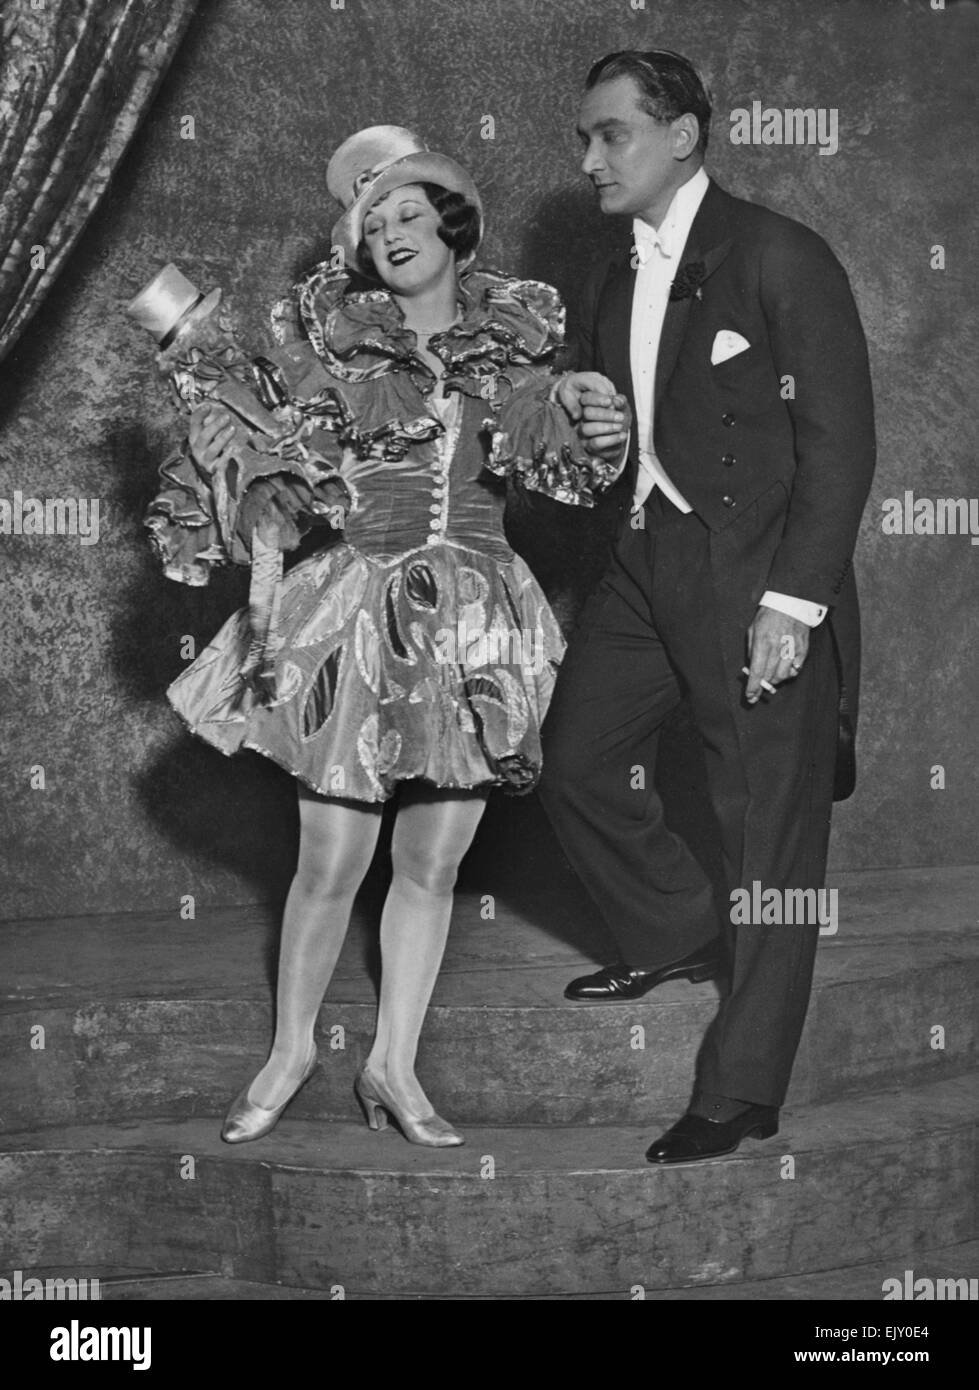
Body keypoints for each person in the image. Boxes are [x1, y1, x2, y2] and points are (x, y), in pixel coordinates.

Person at [144, 127, 624, 1148]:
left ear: (454, 229)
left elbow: (555, 448)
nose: (393, 230)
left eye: (412, 211)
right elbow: (271, 460)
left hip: (476, 623)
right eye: (375, 220)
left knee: (435, 861)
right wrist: (230, 440)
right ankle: (290, 1048)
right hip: (358, 619)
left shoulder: (512, 345)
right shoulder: (325, 351)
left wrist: (588, 409)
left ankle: (394, 1064)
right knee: (329, 858)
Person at [538, 51, 876, 1164]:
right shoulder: (613, 274)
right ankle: (679, 929)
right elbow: (628, 431)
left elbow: (840, 446)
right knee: (575, 756)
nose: (588, 158)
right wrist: (588, 418)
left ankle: (742, 1087)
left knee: (768, 843)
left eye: (609, 135)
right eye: (584, 137)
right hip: (645, 555)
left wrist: (793, 605)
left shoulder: (781, 254)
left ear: (681, 137)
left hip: (759, 574)